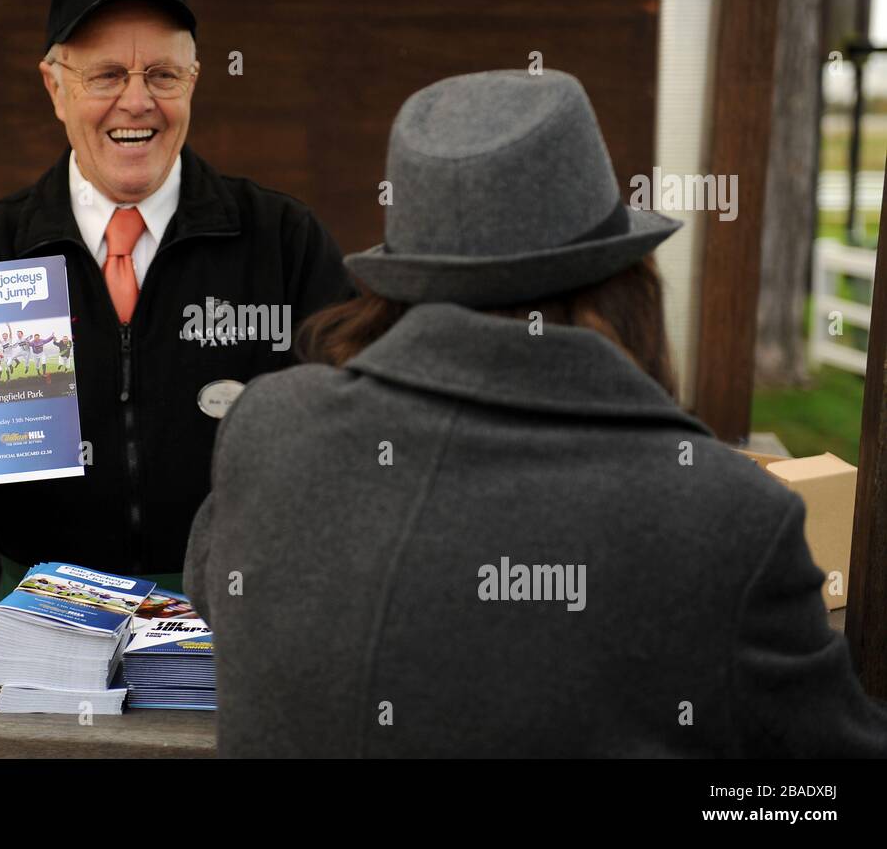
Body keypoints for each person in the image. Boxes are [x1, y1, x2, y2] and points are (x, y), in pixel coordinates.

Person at [183, 69, 887, 757]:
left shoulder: (269, 431)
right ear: (625, 280)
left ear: (395, 287)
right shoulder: (727, 518)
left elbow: (230, 592)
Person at [0, 0, 355, 603]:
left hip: (241, 612)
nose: (137, 102)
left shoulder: (285, 241)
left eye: (162, 74)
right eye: (105, 76)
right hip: (42, 617)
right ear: (54, 87)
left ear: (194, 81)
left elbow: (363, 421)